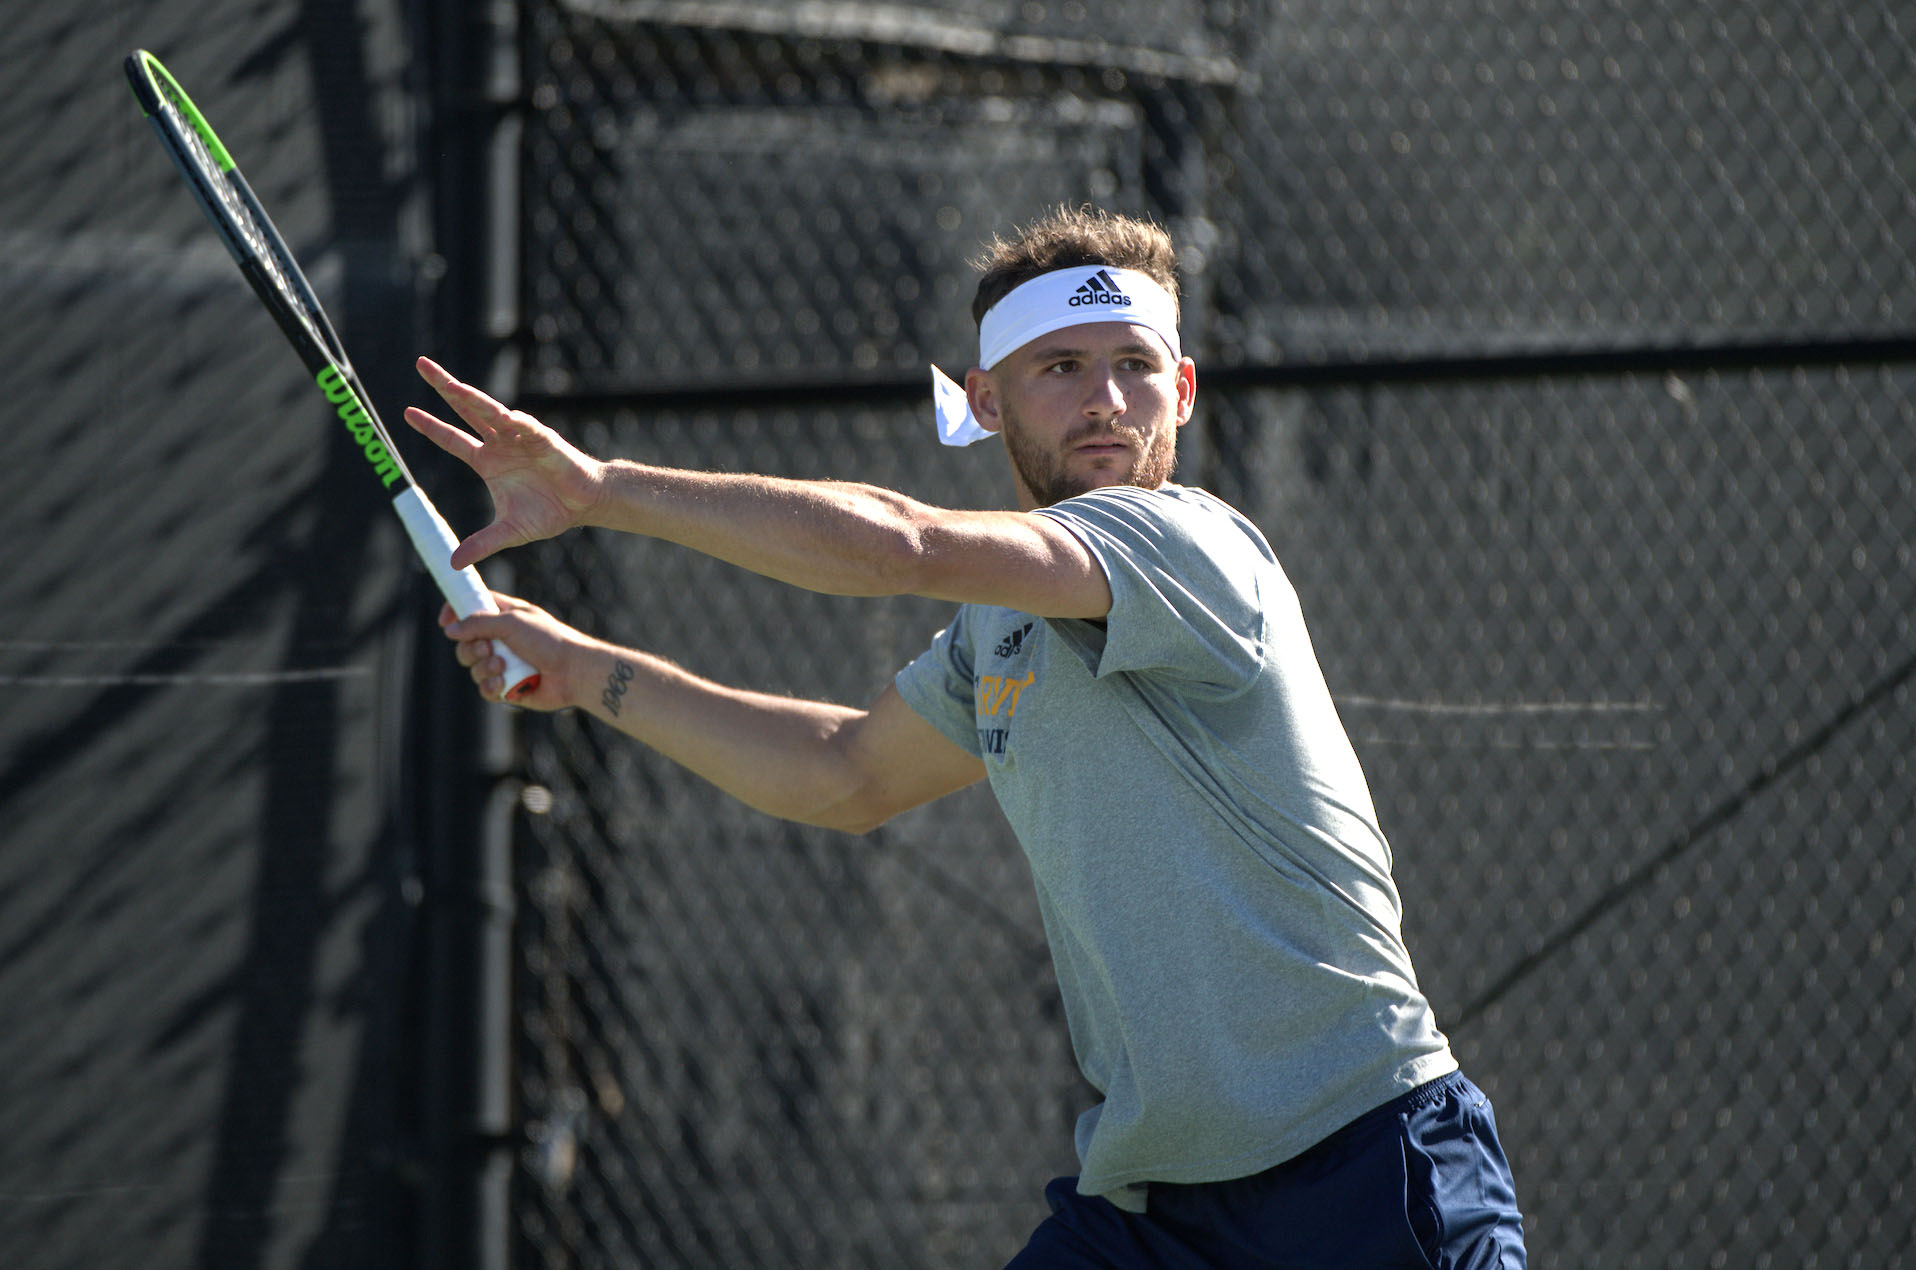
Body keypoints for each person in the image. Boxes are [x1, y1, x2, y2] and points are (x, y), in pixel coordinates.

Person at [407, 206, 1527, 1268]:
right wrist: (584, 671)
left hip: (1363, 1163)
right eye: (1061, 368)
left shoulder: (1189, 544)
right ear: (987, 400)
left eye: (1135, 366)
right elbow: (844, 772)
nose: (1106, 400)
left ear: (1182, 391)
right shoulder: (998, 631)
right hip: (1155, 1206)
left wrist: (601, 489)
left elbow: (903, 545)